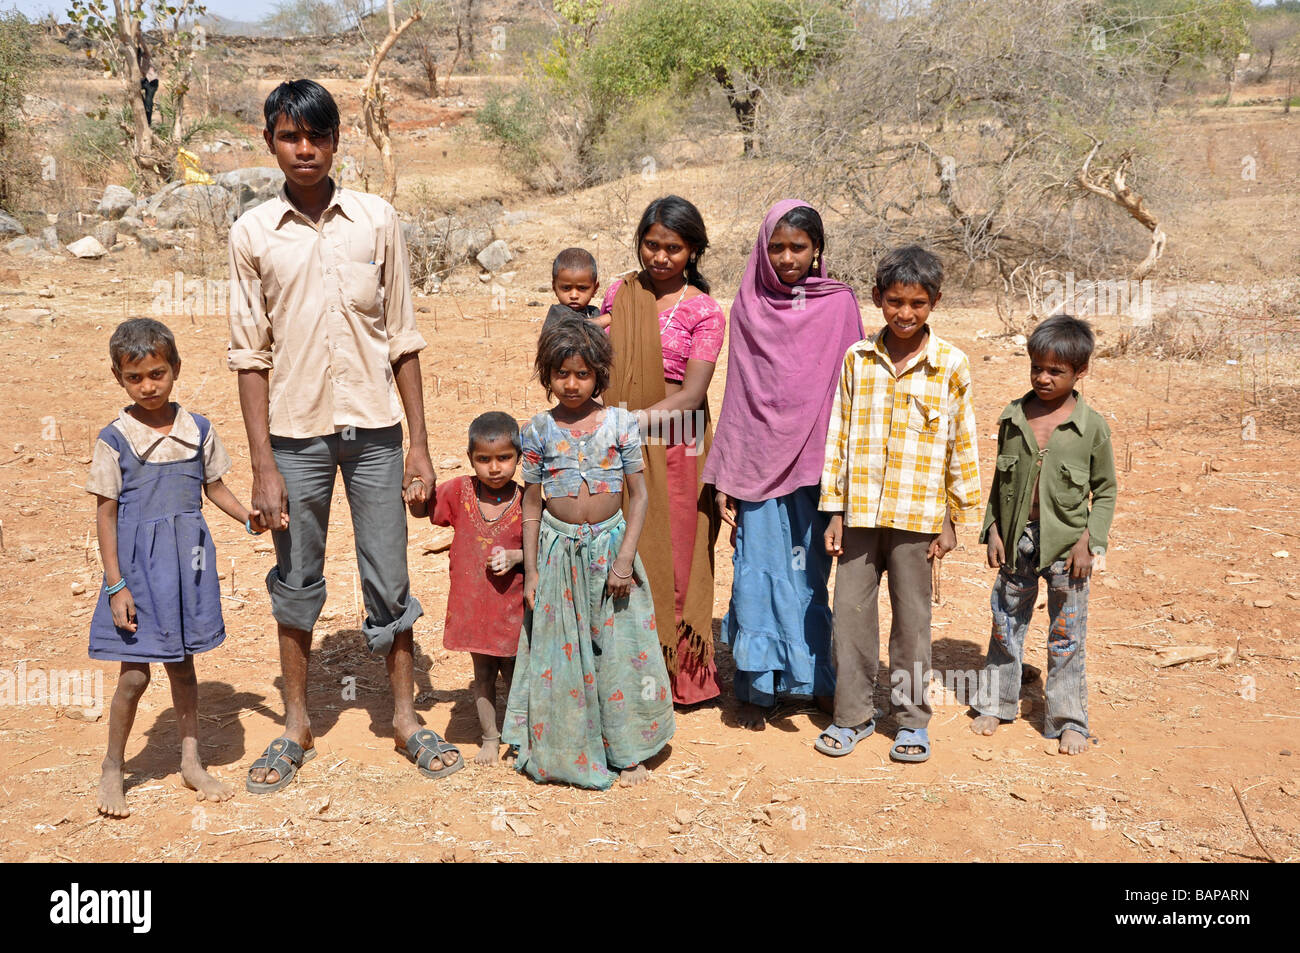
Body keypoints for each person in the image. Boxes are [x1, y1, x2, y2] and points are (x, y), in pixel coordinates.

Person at [227, 80, 447, 793]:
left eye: (316, 136)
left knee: (390, 576)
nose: (305, 149)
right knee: (296, 582)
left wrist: (418, 443)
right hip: (294, 438)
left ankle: (407, 719)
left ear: (336, 140)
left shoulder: (377, 220)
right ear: (270, 143)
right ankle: (295, 726)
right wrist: (263, 462)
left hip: (378, 433)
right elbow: (249, 357)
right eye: (290, 136)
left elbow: (404, 338)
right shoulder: (252, 234)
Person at [88, 318, 282, 818]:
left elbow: (213, 487)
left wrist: (250, 519)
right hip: (137, 570)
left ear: (176, 369)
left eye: (158, 373)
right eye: (136, 378)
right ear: (119, 379)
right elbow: (105, 513)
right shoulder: (115, 438)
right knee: (134, 677)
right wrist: (116, 585)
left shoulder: (199, 429)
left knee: (184, 667)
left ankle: (190, 761)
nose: (148, 387)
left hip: (187, 563)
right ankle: (114, 766)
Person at [817, 245, 981, 762]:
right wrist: (835, 510)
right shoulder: (857, 359)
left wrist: (952, 517)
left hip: (918, 516)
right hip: (860, 513)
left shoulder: (950, 364)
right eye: (894, 301)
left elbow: (961, 441)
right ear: (876, 299)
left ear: (934, 301)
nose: (904, 314)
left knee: (913, 624)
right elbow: (838, 436)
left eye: (917, 303)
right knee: (850, 616)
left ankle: (911, 721)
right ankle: (853, 716)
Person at [704, 200, 864, 730]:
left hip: (817, 464)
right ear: (762, 249)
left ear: (818, 249)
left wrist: (848, 475)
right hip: (757, 462)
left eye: (799, 247)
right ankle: (758, 685)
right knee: (755, 572)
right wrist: (726, 471)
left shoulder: (839, 304)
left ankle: (814, 680)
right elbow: (738, 394)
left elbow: (852, 391)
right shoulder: (748, 305)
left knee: (809, 576)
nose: (788, 257)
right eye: (777, 247)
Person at [503, 316, 675, 789]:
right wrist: (533, 572)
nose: (572, 384)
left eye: (582, 373)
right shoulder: (536, 430)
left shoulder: (620, 424)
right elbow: (533, 505)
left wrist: (624, 559)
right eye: (562, 374)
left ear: (599, 372)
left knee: (620, 651)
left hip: (610, 553)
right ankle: (562, 743)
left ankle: (629, 750)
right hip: (558, 555)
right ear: (547, 375)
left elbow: (638, 496)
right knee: (562, 652)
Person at [971, 314, 1115, 755]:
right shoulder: (1014, 417)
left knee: (1067, 632)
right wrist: (992, 528)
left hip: (1068, 547)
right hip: (1017, 541)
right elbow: (1000, 482)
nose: (1044, 378)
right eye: (1037, 367)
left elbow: (1105, 490)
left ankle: (1068, 718)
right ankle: (996, 702)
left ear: (1080, 373)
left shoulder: (1091, 427)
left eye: (1057, 371)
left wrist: (1090, 542)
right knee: (1005, 623)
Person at [600, 195, 723, 705]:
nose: (660, 257)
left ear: (692, 250)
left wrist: (624, 422)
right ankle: (626, 671)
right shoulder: (619, 294)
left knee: (675, 558)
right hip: (614, 443)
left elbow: (692, 396)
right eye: (651, 245)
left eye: (673, 247)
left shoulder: (705, 310)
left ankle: (680, 679)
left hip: (676, 443)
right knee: (621, 552)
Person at [430, 411, 524, 765]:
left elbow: (542, 548)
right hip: (473, 607)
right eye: (484, 459)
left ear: (518, 456)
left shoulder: (527, 500)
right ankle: (489, 736)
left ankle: (517, 738)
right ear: (471, 459)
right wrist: (414, 487)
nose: (494, 468)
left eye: (504, 458)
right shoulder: (458, 491)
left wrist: (516, 557)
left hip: (511, 610)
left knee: (515, 675)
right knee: (482, 675)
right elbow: (425, 507)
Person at [542, 247, 603, 333]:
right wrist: (608, 318)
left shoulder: (594, 312)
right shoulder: (557, 314)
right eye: (566, 288)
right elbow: (579, 329)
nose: (574, 296)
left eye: (582, 288)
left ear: (595, 289)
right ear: (554, 288)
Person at [136, 38, 159, 128]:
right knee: (134, 91)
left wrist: (139, 36)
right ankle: (142, 119)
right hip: (145, 80)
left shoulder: (147, 55)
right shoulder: (136, 60)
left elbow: (144, 46)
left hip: (153, 81)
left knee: (148, 103)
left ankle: (148, 124)